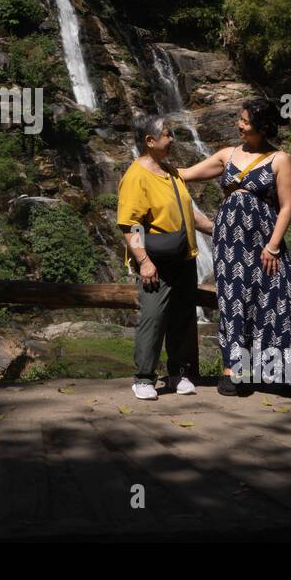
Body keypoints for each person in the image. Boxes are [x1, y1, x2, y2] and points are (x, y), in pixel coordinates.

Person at [179, 99, 291, 402]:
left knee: (275, 301)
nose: (239, 125)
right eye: (240, 119)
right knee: (233, 301)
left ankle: (288, 374)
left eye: (244, 121)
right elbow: (185, 174)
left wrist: (272, 246)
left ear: (262, 125)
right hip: (229, 243)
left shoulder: (279, 159)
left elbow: (287, 207)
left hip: (264, 242)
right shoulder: (227, 155)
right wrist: (152, 166)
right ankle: (233, 370)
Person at [117, 113, 214, 401]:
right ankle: (144, 378)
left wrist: (218, 229)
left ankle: (177, 373)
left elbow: (189, 213)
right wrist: (144, 261)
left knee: (182, 317)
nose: (172, 139)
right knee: (153, 317)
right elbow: (130, 225)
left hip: (185, 256)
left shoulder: (168, 171)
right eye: (167, 135)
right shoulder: (136, 177)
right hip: (156, 261)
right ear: (150, 141)